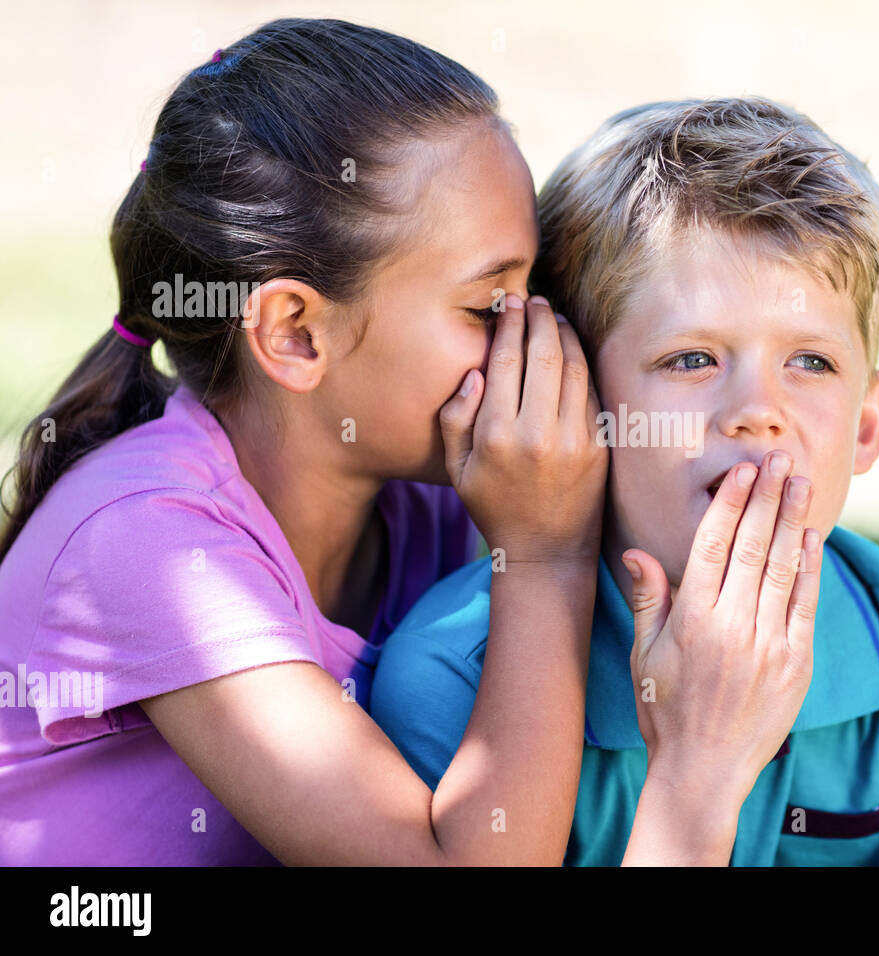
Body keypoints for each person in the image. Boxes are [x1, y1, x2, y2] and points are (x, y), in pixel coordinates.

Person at [0, 23, 814, 867]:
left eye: (534, 292)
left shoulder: (428, 496)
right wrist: (542, 557)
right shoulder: (147, 539)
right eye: (488, 307)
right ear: (296, 335)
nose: (537, 338)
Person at [371, 97, 879, 866]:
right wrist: (701, 773)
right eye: (691, 359)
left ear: (866, 424)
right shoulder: (455, 677)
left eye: (810, 363)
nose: (758, 412)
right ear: (571, 399)